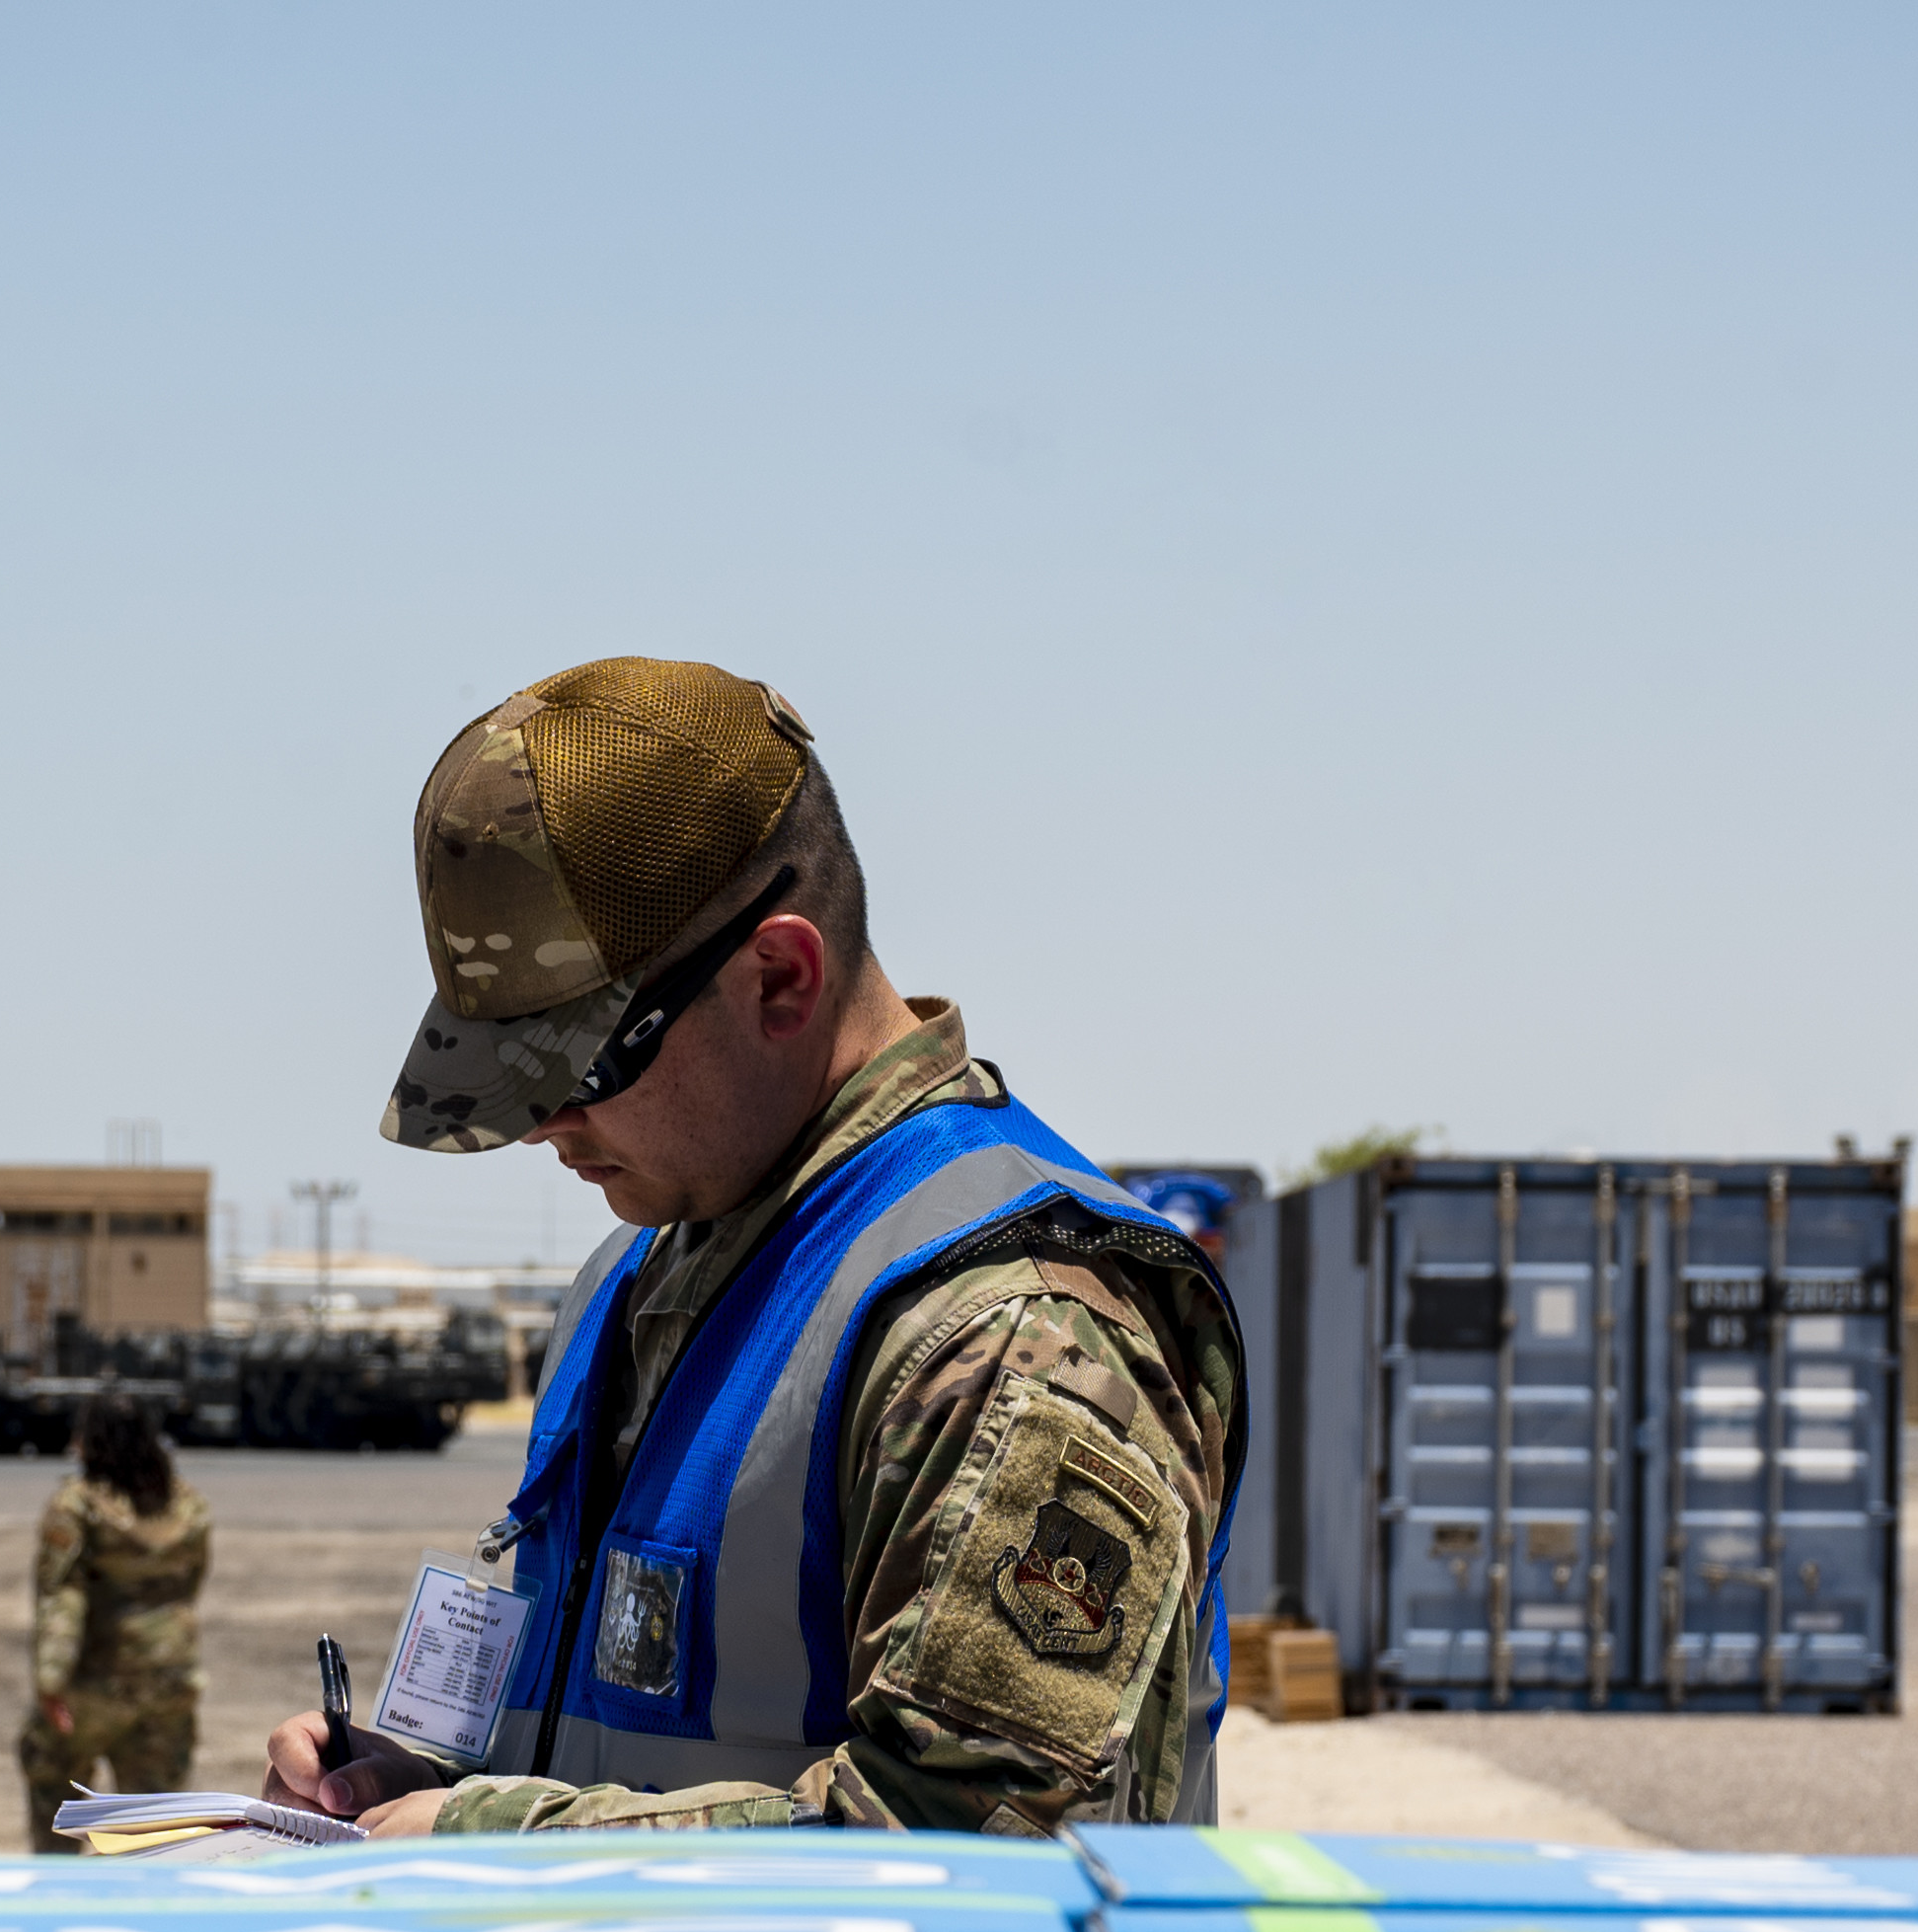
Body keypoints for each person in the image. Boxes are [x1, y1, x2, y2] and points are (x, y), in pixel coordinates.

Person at [267, 656, 1243, 1840]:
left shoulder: (1013, 1327)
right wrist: (412, 1777)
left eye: (579, 1069)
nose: (543, 1127)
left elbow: (979, 1850)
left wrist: (492, 1844)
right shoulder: (642, 1272)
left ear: (780, 977)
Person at [19, 1394, 209, 1849]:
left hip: (95, 1679)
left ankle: (56, 1890)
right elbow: (190, 1582)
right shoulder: (187, 1506)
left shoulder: (77, 1506)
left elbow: (62, 1595)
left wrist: (50, 1678)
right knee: (155, 1823)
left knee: (55, 1786)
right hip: (170, 1677)